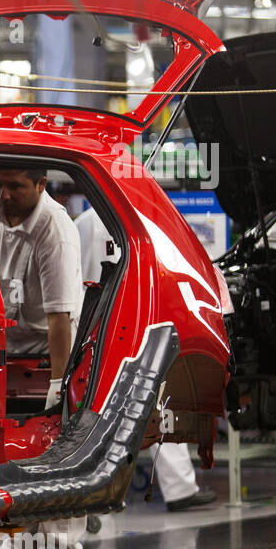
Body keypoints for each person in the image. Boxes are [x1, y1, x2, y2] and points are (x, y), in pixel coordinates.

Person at [0, 168, 85, 549]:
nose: (3, 194)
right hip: (3, 350)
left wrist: (60, 389)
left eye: (15, 187)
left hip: (50, 352)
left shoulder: (55, 230)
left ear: (41, 185)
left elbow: (60, 319)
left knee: (56, 455)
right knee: (4, 457)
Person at [74, 204, 216, 512]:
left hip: (100, 330)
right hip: (131, 326)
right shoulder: (137, 223)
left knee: (105, 409)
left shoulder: (86, 223)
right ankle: (177, 487)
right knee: (153, 402)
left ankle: (103, 490)